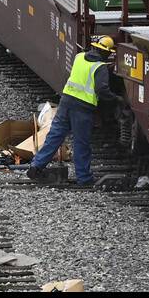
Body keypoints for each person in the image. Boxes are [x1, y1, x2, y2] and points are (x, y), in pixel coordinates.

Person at [26, 35, 119, 188]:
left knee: (54, 136)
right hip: (82, 109)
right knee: (81, 143)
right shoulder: (100, 67)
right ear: (106, 53)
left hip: (66, 102)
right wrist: (115, 99)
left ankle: (36, 167)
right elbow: (102, 90)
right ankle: (84, 179)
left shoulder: (79, 57)